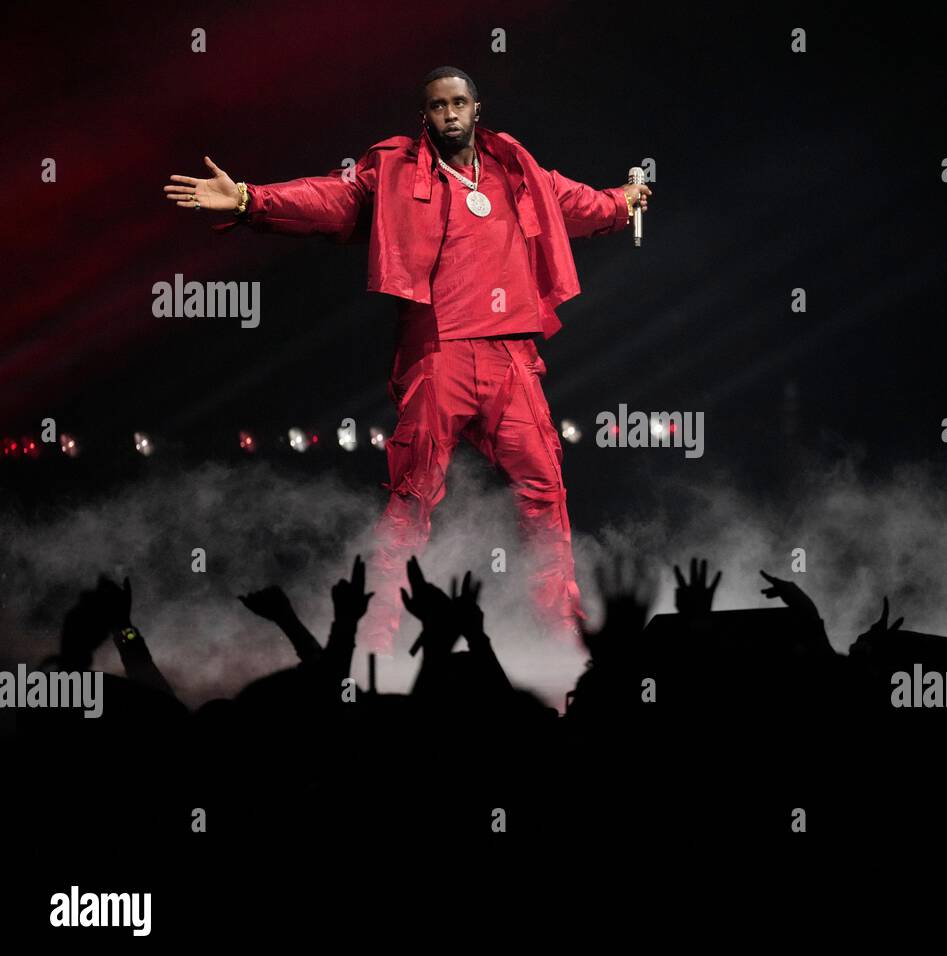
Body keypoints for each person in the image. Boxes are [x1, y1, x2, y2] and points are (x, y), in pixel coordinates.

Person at [164, 66, 651, 653]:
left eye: (459, 102)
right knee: (411, 500)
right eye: (438, 106)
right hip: (437, 356)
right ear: (425, 116)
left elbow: (578, 204)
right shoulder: (393, 171)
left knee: (546, 491)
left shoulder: (516, 170)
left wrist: (623, 201)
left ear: (477, 108)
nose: (450, 113)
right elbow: (331, 198)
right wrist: (248, 199)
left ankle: (569, 638)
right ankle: (371, 644)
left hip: (511, 359)